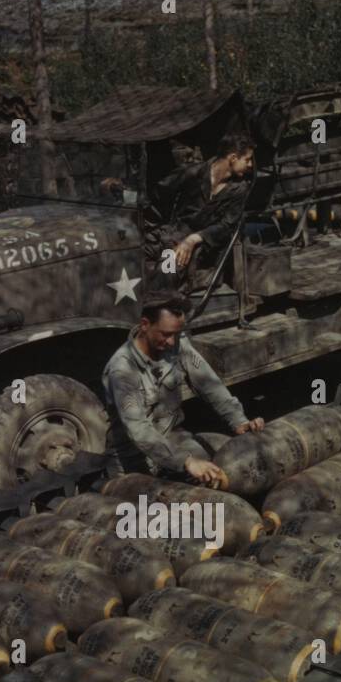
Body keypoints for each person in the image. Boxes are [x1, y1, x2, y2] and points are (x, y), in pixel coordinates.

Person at [101, 291, 264, 486]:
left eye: (177, 334)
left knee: (231, 464)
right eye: (166, 334)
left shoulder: (177, 344)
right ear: (145, 325)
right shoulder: (122, 369)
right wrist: (187, 462)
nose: (172, 341)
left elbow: (209, 384)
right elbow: (139, 429)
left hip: (173, 442)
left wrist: (238, 421)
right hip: (132, 461)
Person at [146, 132, 256, 281]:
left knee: (165, 272)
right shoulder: (192, 172)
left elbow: (227, 225)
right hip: (170, 234)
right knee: (126, 256)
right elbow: (159, 193)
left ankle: (161, 301)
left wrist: (193, 239)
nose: (250, 165)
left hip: (200, 245)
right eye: (248, 160)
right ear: (233, 158)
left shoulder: (239, 189)